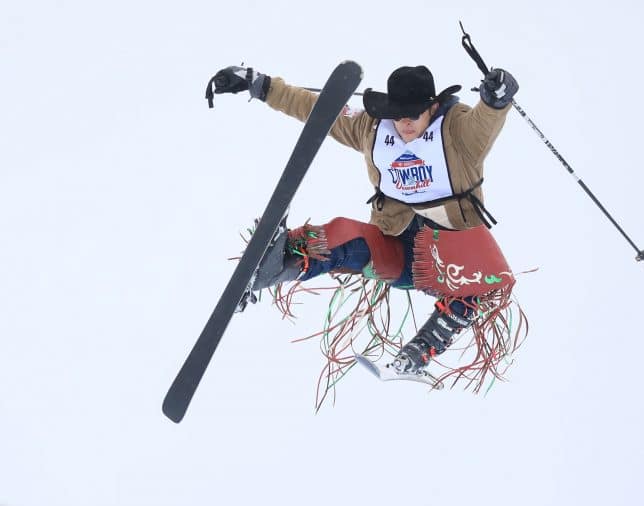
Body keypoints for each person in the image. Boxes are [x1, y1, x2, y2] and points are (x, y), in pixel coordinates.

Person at [208, 61, 522, 383]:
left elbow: (486, 118)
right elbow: (315, 109)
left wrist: (496, 97)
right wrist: (260, 85)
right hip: (399, 247)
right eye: (397, 114)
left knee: (478, 282)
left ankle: (415, 355)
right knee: (346, 236)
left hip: (450, 255)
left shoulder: (458, 133)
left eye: (413, 114)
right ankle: (278, 261)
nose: (405, 123)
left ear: (433, 107)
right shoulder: (373, 130)